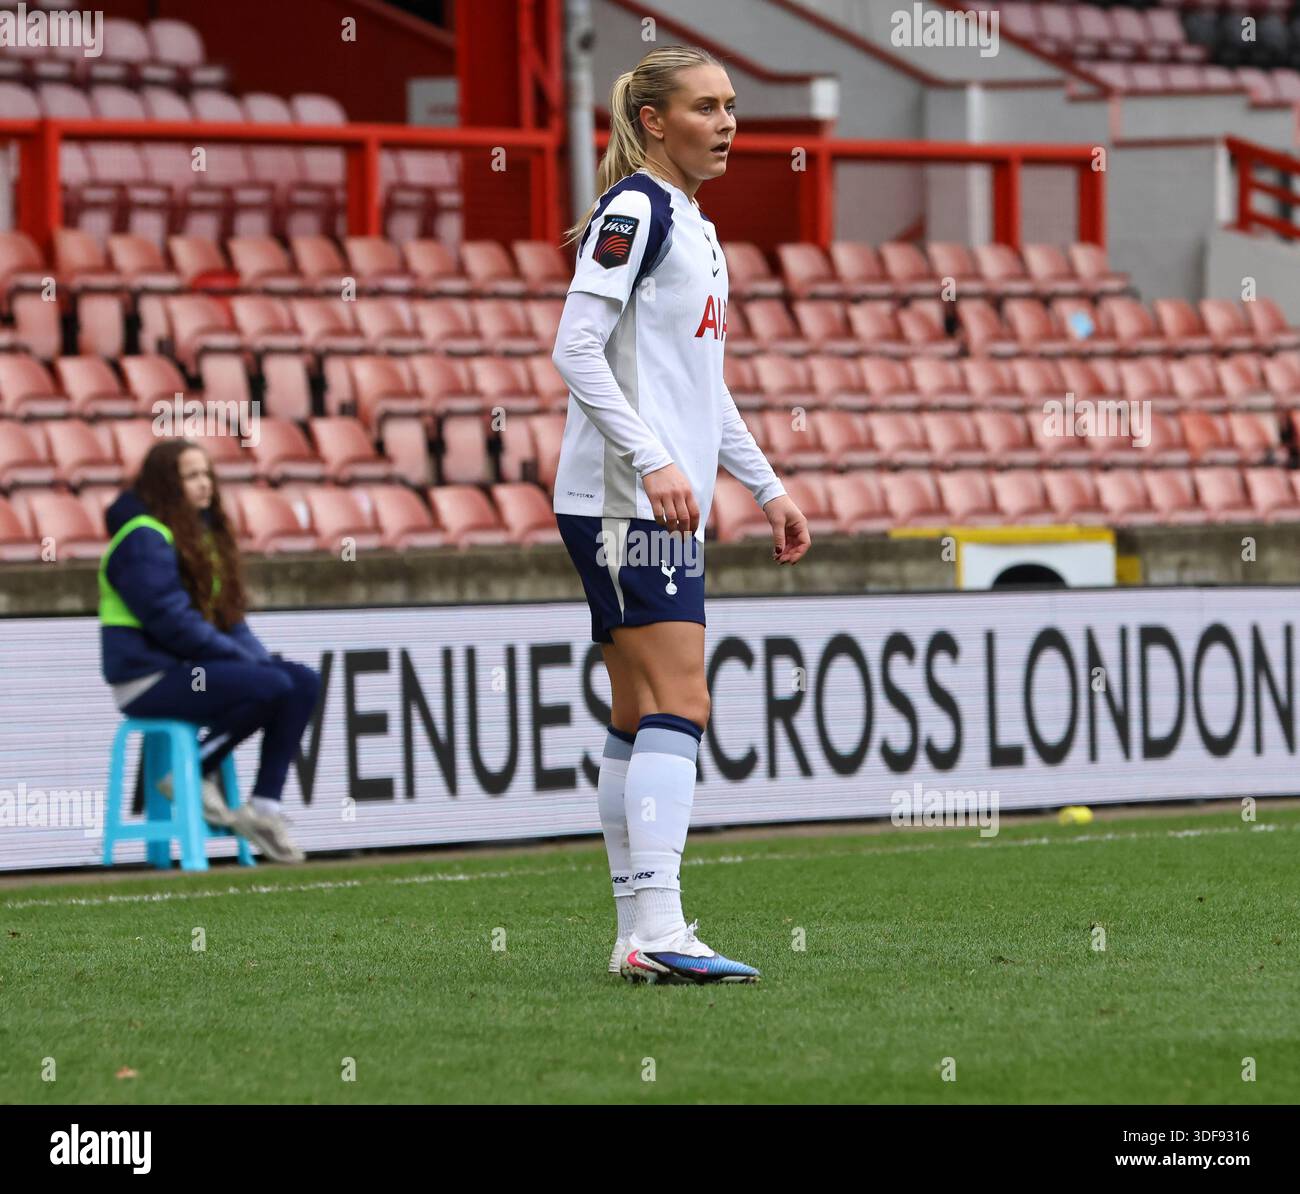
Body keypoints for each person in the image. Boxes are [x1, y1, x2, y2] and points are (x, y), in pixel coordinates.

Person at [551, 45, 811, 984]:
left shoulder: (693, 225)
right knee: (682, 702)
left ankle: (637, 933)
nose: (729, 121)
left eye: (733, 105)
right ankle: (659, 926)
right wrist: (652, 457)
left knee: (638, 712)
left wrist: (766, 484)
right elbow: (574, 349)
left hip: (652, 500)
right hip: (627, 502)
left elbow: (705, 388)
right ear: (655, 121)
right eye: (706, 107)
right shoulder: (636, 211)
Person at [98, 439, 320, 863]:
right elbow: (172, 623)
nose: (204, 485)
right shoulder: (142, 538)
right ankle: (185, 774)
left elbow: (227, 619)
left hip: (187, 671)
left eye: (207, 475)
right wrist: (244, 663)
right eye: (191, 476)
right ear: (167, 483)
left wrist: (255, 656)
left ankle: (264, 808)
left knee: (301, 682)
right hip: (147, 680)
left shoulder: (197, 536)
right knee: (270, 685)